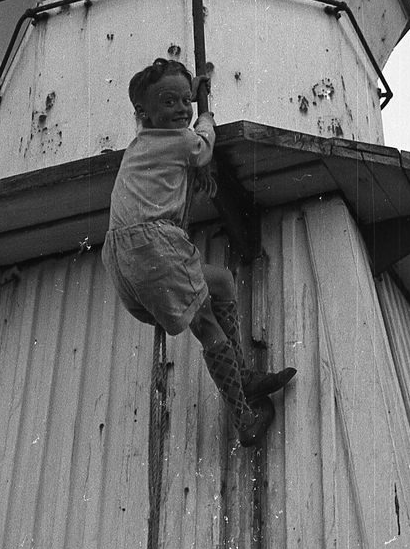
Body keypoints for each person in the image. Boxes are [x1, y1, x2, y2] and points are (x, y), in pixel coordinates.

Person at [102, 57, 296, 448]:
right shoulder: (177, 141)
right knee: (206, 326)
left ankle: (244, 376)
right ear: (143, 113)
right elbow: (201, 144)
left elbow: (187, 162)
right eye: (168, 102)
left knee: (221, 283)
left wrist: (196, 166)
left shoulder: (142, 147)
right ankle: (243, 415)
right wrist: (204, 112)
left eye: (184, 101)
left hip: (126, 257)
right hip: (154, 246)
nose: (180, 109)